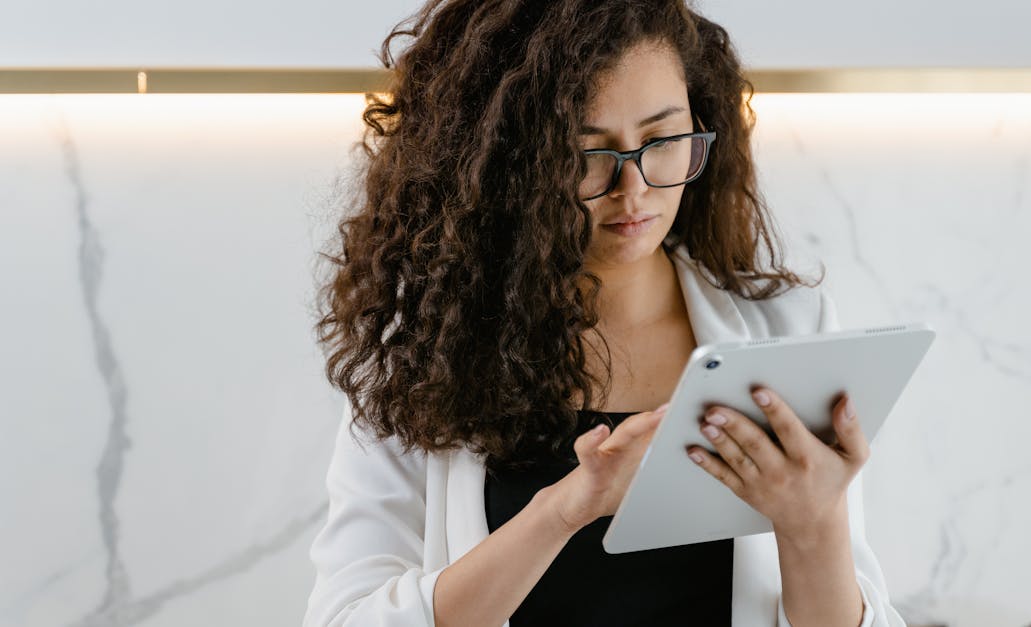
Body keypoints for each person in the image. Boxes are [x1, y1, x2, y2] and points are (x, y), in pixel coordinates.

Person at [304, 1, 905, 626]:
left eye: (663, 140)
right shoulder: (419, 351)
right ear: (506, 166)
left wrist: (813, 525)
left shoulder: (791, 330)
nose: (635, 190)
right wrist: (563, 511)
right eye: (585, 155)